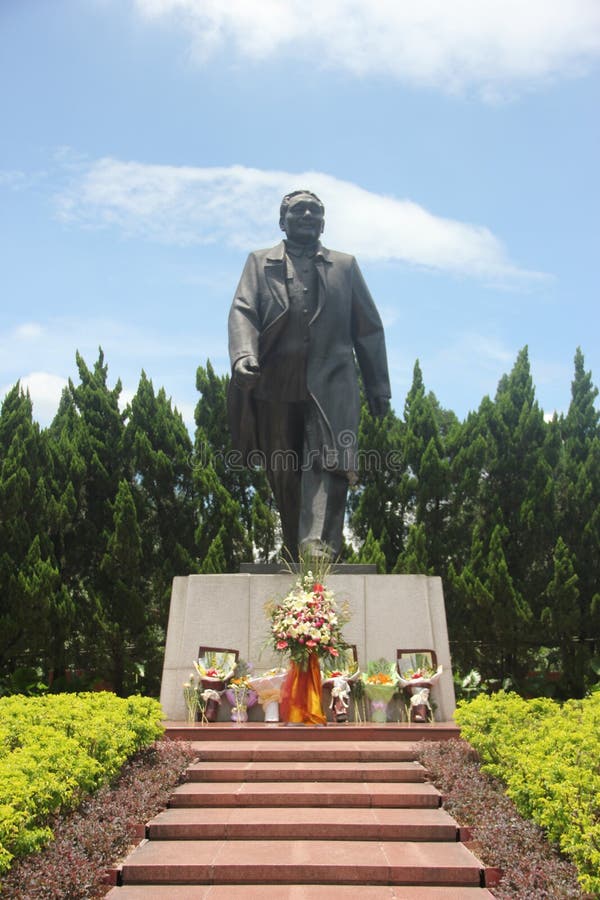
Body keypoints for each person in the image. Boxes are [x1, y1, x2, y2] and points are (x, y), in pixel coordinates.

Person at [227, 190, 391, 560]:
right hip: (274, 380)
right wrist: (243, 356)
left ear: (323, 221)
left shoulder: (345, 266)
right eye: (297, 210)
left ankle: (317, 544)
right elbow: (243, 310)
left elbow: (367, 329)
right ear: (282, 220)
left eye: (314, 210)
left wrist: (378, 385)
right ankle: (293, 543)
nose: (306, 215)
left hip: (331, 381)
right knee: (282, 467)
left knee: (327, 460)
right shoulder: (258, 262)